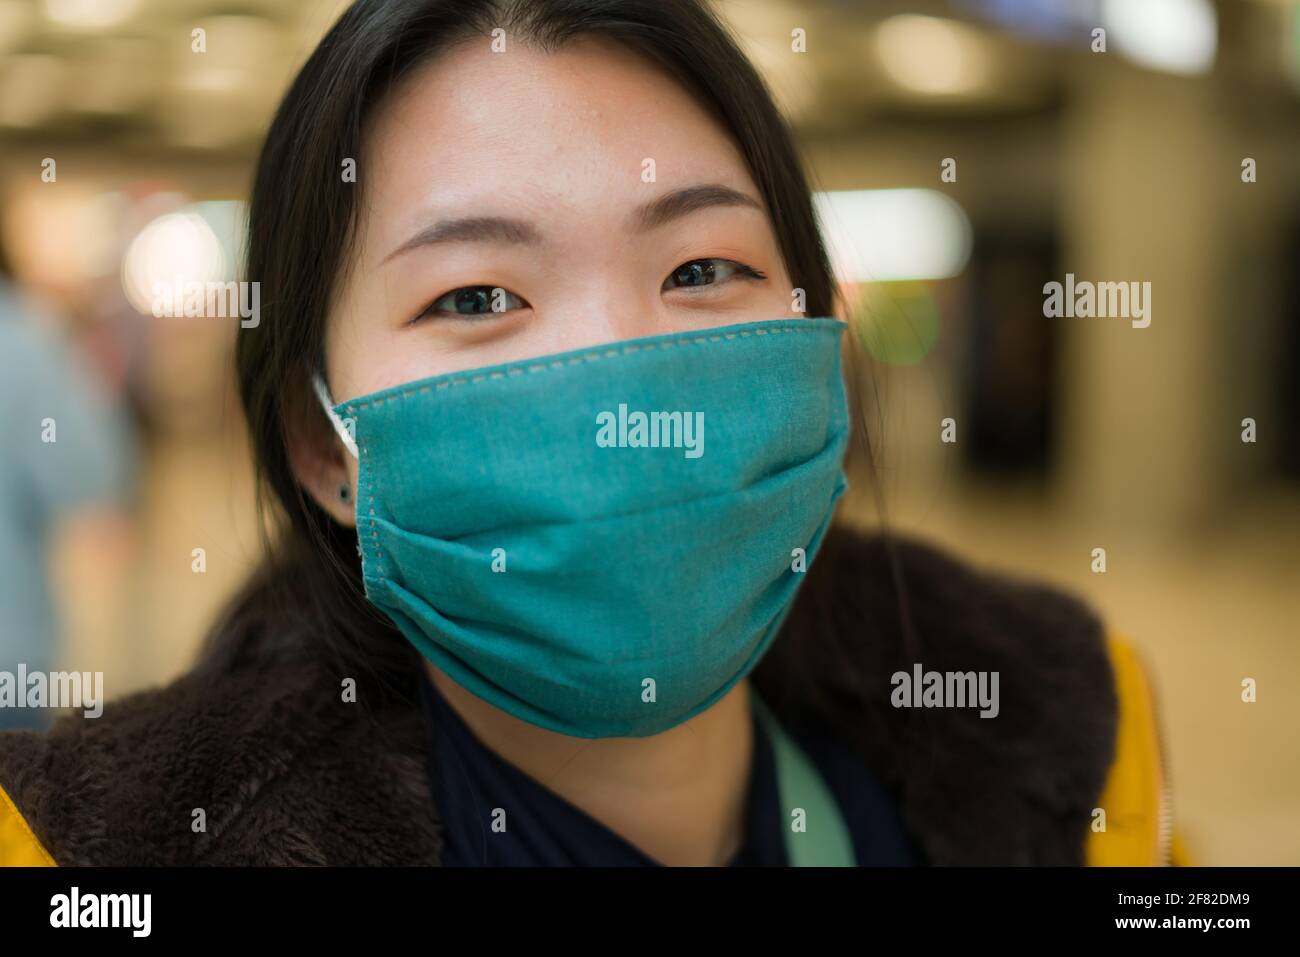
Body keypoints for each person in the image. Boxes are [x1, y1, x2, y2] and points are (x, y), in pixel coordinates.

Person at [0, 0, 1184, 867]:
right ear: (324, 449)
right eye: (474, 297)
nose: (626, 373)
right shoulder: (90, 854)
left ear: (815, 344)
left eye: (704, 266)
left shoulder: (1073, 760)